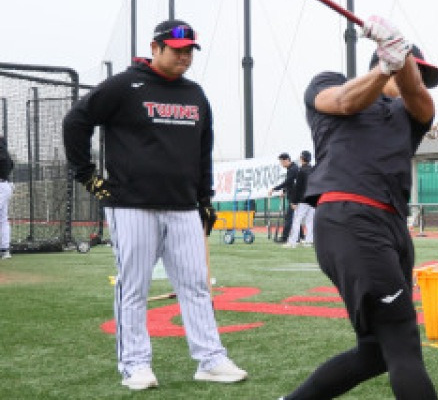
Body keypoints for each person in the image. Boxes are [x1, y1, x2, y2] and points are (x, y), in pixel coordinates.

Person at [61, 19, 247, 390]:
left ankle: (210, 359)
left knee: (195, 286)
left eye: (189, 50)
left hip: (183, 207)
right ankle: (135, 365)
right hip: (131, 205)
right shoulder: (124, 86)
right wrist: (87, 176)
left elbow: (203, 151)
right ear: (155, 48)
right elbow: (75, 122)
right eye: (177, 50)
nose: (184, 57)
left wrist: (205, 199)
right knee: (134, 287)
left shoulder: (195, 94)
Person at [281, 16, 438, 400]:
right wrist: (388, 65)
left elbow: (419, 97)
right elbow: (344, 101)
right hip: (350, 218)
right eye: (414, 72)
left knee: (376, 353)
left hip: (392, 226)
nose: (416, 83)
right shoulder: (329, 83)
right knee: (402, 339)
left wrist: (401, 61)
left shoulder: (412, 112)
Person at [285, 151, 315, 248]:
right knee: (310, 221)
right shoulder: (313, 170)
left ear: (302, 158)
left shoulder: (301, 171)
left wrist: (294, 201)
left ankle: (292, 242)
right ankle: (309, 240)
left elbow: (298, 187)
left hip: (303, 200)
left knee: (296, 220)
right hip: (313, 199)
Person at [271, 153, 299, 242]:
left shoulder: (293, 169)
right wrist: (284, 191)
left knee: (289, 217)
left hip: (294, 197)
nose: (281, 164)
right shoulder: (291, 168)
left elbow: (288, 182)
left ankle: (284, 237)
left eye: (282, 162)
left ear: (286, 160)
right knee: (295, 217)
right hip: (293, 196)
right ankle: (300, 236)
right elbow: (290, 183)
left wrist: (275, 188)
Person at [0, 135, 13, 259]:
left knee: (3, 219)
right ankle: (5, 249)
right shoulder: (6, 154)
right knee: (3, 219)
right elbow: (11, 166)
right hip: (5, 185)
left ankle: (5, 249)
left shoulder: (2, 154)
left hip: (1, 187)